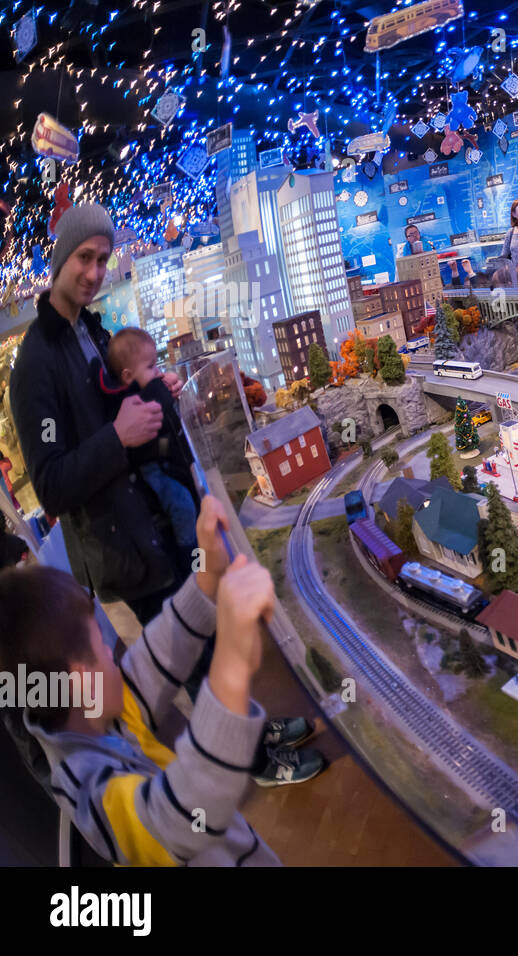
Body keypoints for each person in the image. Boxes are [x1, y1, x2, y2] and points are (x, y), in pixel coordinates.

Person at [0, 496, 325, 866]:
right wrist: (230, 673)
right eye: (100, 644)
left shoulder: (95, 715)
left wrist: (206, 577)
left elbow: (157, 654)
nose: (111, 653)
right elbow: (182, 818)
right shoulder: (89, 791)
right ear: (81, 679)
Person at [9, 204, 190, 628]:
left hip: (155, 531)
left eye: (103, 259)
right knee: (192, 656)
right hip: (126, 563)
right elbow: (52, 485)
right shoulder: (35, 365)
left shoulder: (93, 333)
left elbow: (114, 405)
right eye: (84, 257)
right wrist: (118, 436)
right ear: (61, 260)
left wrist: (152, 388)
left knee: (207, 639)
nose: (94, 273)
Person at [100, 327, 198, 552]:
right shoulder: (132, 401)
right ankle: (189, 546)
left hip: (167, 462)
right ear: (127, 376)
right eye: (150, 367)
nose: (158, 372)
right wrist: (162, 388)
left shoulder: (147, 391)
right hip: (155, 469)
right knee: (182, 503)